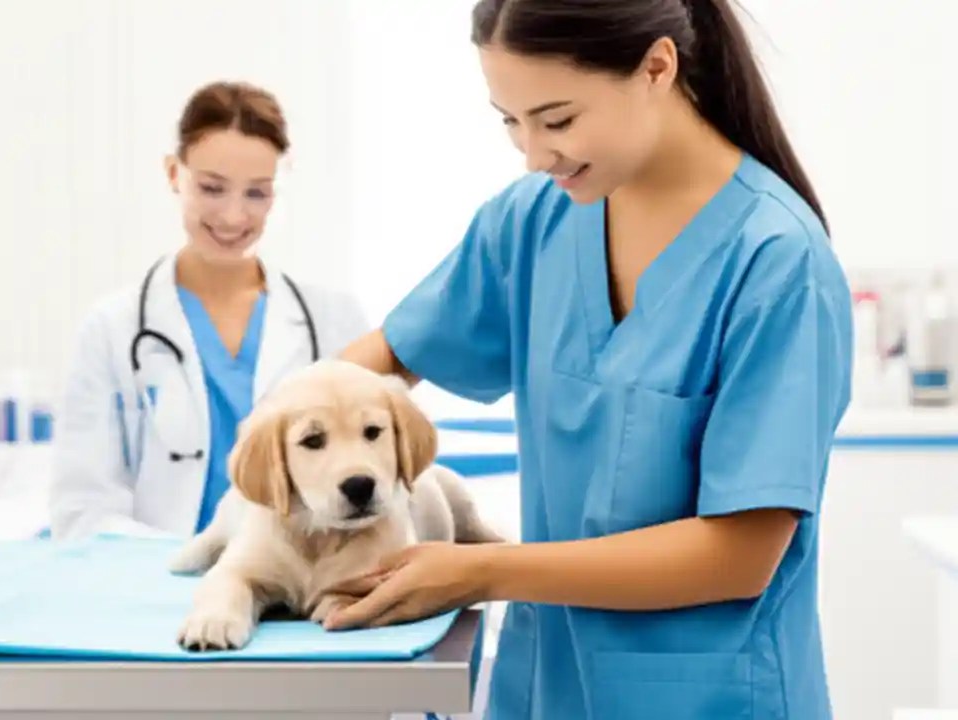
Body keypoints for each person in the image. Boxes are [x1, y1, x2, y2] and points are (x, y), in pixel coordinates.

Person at [326, 1, 851, 718]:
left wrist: (479, 571)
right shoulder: (534, 219)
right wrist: (291, 447)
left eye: (558, 119)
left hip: (715, 699)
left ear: (657, 67)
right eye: (509, 122)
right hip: (550, 688)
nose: (534, 153)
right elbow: (388, 355)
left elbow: (740, 553)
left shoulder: (777, 263)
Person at [50, 81, 369, 540]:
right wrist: (197, 565)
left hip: (304, 589)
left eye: (257, 193)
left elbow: (382, 475)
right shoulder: (112, 328)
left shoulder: (334, 318)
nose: (234, 216)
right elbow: (82, 511)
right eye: (212, 188)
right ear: (172, 174)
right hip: (156, 584)